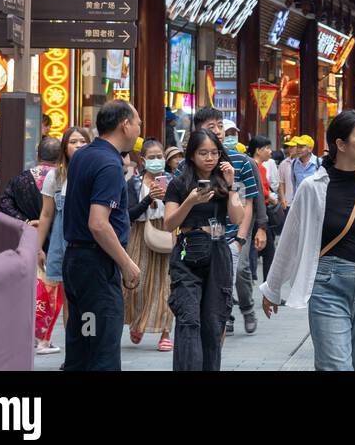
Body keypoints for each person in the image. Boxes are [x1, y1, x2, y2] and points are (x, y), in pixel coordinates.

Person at [261, 111, 355, 371]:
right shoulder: (312, 187)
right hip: (327, 283)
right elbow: (290, 239)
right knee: (335, 365)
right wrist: (272, 288)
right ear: (341, 145)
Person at [61, 101, 141, 371]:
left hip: (77, 263)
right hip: (96, 267)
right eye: (137, 123)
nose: (139, 129)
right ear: (125, 124)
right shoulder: (109, 163)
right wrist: (126, 263)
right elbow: (98, 223)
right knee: (102, 351)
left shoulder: (83, 155)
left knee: (83, 343)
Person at [163, 129, 245, 371]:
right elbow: (169, 224)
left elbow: (237, 218)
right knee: (189, 320)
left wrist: (231, 188)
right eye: (203, 153)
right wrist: (190, 201)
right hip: (188, 252)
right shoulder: (178, 184)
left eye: (214, 153)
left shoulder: (224, 182)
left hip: (218, 251)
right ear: (191, 155)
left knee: (213, 322)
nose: (209, 158)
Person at [192, 106, 264, 335]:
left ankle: (245, 309)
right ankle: (225, 317)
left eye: (220, 126)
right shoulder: (192, 162)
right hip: (202, 236)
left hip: (234, 233)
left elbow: (250, 201)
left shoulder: (241, 162)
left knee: (240, 272)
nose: (218, 131)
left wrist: (241, 238)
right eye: (211, 127)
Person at [34, 127, 91, 355]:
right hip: (63, 246)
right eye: (73, 141)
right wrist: (37, 247)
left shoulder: (95, 172)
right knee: (70, 301)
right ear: (64, 148)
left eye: (82, 141)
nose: (78, 145)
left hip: (90, 246)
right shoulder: (55, 177)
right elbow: (46, 214)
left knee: (88, 302)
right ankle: (74, 352)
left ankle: (88, 348)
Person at [125, 138, 174, 351]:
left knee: (166, 285)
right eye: (152, 157)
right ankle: (138, 322)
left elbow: (180, 209)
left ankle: (165, 332)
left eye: (160, 157)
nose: (157, 161)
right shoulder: (133, 183)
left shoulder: (173, 181)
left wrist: (167, 197)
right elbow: (129, 214)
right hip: (140, 234)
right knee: (137, 283)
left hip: (166, 232)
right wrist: (149, 199)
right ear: (143, 160)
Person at [1, 135, 58, 225]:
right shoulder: (65, 179)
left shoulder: (19, 180)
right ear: (61, 158)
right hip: (57, 235)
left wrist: (25, 221)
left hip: (28, 233)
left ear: (37, 156)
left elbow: (5, 205)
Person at [248, 136, 279, 279]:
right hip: (259, 213)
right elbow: (259, 190)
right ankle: (268, 288)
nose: (270, 151)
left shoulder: (259, 166)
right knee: (268, 252)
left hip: (256, 212)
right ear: (258, 151)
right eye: (267, 148)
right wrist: (270, 197)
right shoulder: (256, 166)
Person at [279, 135, 322, 211]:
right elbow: (294, 183)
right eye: (298, 147)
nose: (298, 149)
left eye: (301, 147)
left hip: (315, 204)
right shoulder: (294, 163)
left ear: (310, 149)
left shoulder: (319, 163)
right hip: (299, 204)